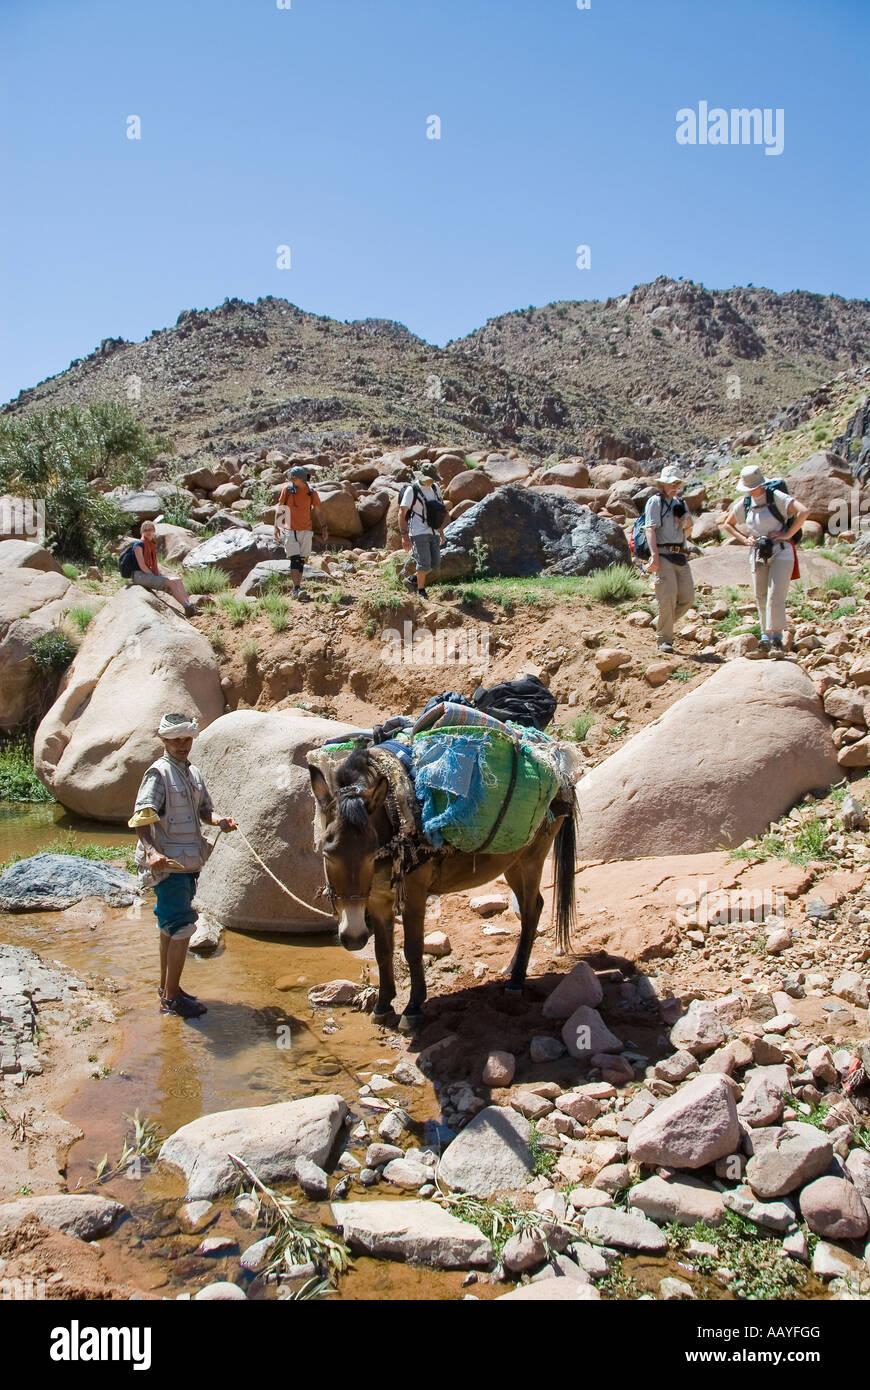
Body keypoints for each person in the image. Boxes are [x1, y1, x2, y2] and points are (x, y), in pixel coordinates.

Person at [129, 713, 237, 1019]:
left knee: (169, 926)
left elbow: (206, 811)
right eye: (176, 740)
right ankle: (173, 1000)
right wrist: (151, 852)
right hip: (169, 865)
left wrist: (220, 821)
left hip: (190, 861)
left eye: (186, 740)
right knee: (181, 927)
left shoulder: (193, 773)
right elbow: (142, 818)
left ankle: (168, 989)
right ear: (163, 740)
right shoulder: (158, 774)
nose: (182, 745)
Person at [722, 465, 810, 657]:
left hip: (781, 551)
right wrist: (745, 539)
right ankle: (765, 640)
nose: (754, 491)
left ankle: (777, 640)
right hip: (758, 554)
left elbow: (803, 511)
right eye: (750, 488)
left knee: (774, 596)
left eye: (756, 487)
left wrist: (787, 534)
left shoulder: (776, 496)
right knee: (761, 596)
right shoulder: (745, 502)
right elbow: (727, 524)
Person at [643, 465, 694, 653]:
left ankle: (660, 622)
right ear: (663, 484)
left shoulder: (681, 503)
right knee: (667, 597)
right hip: (663, 554)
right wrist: (654, 556)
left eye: (677, 483)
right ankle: (664, 639)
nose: (675, 487)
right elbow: (650, 529)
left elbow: (687, 532)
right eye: (671, 483)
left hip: (680, 553)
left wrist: (687, 523)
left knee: (688, 597)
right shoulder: (655, 502)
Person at [273, 465, 328, 600]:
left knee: (302, 560)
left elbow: (318, 511)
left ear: (301, 479)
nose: (291, 480)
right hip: (290, 530)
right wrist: (277, 526)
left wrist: (324, 527)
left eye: (294, 478)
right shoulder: (288, 490)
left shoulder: (311, 492)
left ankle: (296, 589)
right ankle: (297, 588)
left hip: (306, 530)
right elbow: (281, 508)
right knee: (295, 559)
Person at [398, 470, 446, 600]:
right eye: (432, 478)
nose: (434, 481)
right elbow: (402, 514)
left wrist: (441, 533)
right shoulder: (412, 490)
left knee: (435, 563)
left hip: (433, 531)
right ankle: (421, 591)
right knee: (424, 562)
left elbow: (439, 513)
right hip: (418, 531)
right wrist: (404, 536)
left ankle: (411, 580)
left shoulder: (435, 488)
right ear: (424, 478)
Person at [131, 520, 194, 615]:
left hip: (147, 574)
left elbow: (152, 565)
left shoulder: (151, 544)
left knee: (177, 580)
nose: (148, 532)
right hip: (139, 575)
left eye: (150, 529)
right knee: (170, 583)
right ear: (142, 532)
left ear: (154, 531)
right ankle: (186, 606)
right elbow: (142, 565)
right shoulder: (138, 545)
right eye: (145, 530)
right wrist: (155, 576)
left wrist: (157, 574)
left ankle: (190, 604)